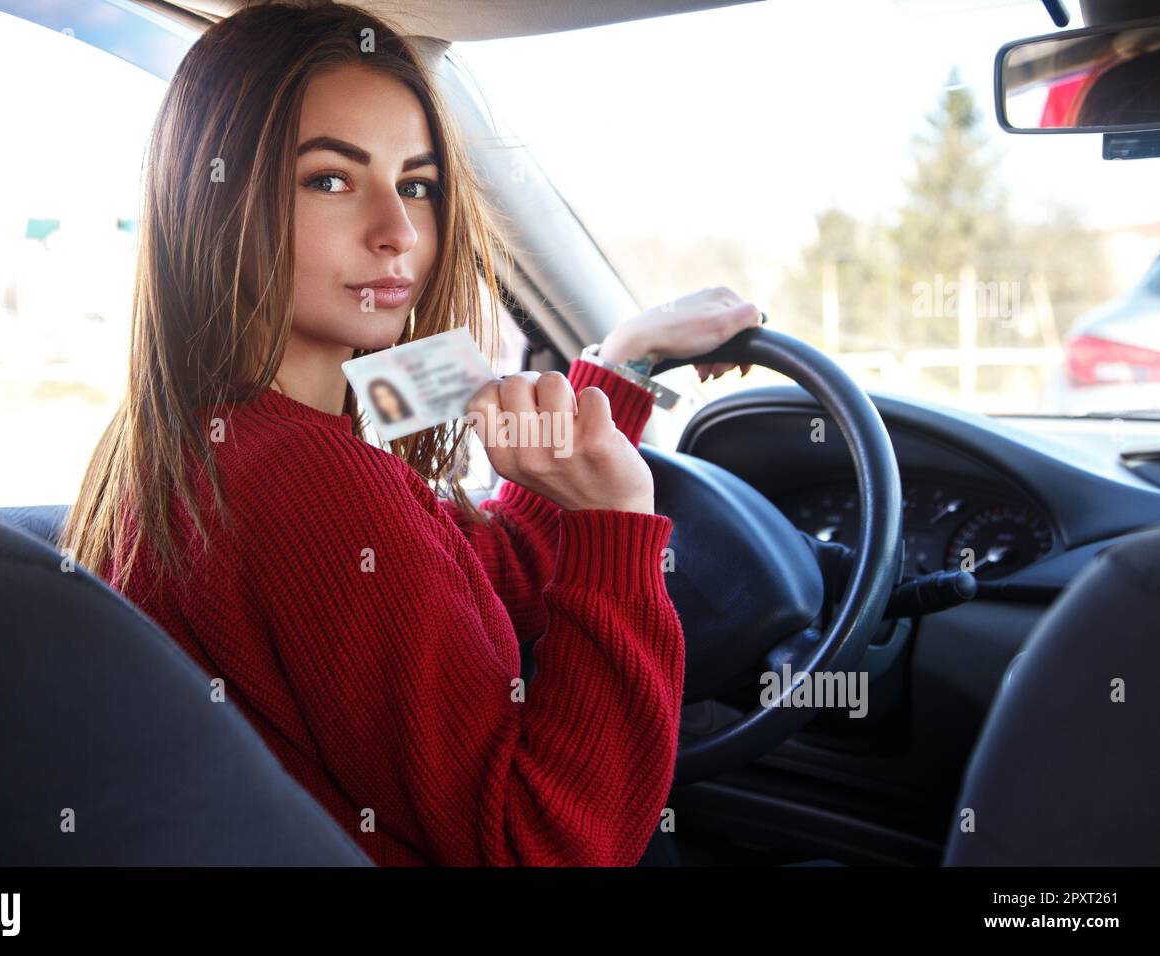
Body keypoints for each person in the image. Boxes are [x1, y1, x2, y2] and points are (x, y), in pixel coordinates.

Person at [60, 0, 761, 866]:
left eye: (418, 185)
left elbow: (480, 573)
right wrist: (620, 521)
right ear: (215, 196)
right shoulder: (310, 477)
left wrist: (621, 361)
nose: (398, 234)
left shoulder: (214, 426)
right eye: (329, 178)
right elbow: (544, 848)